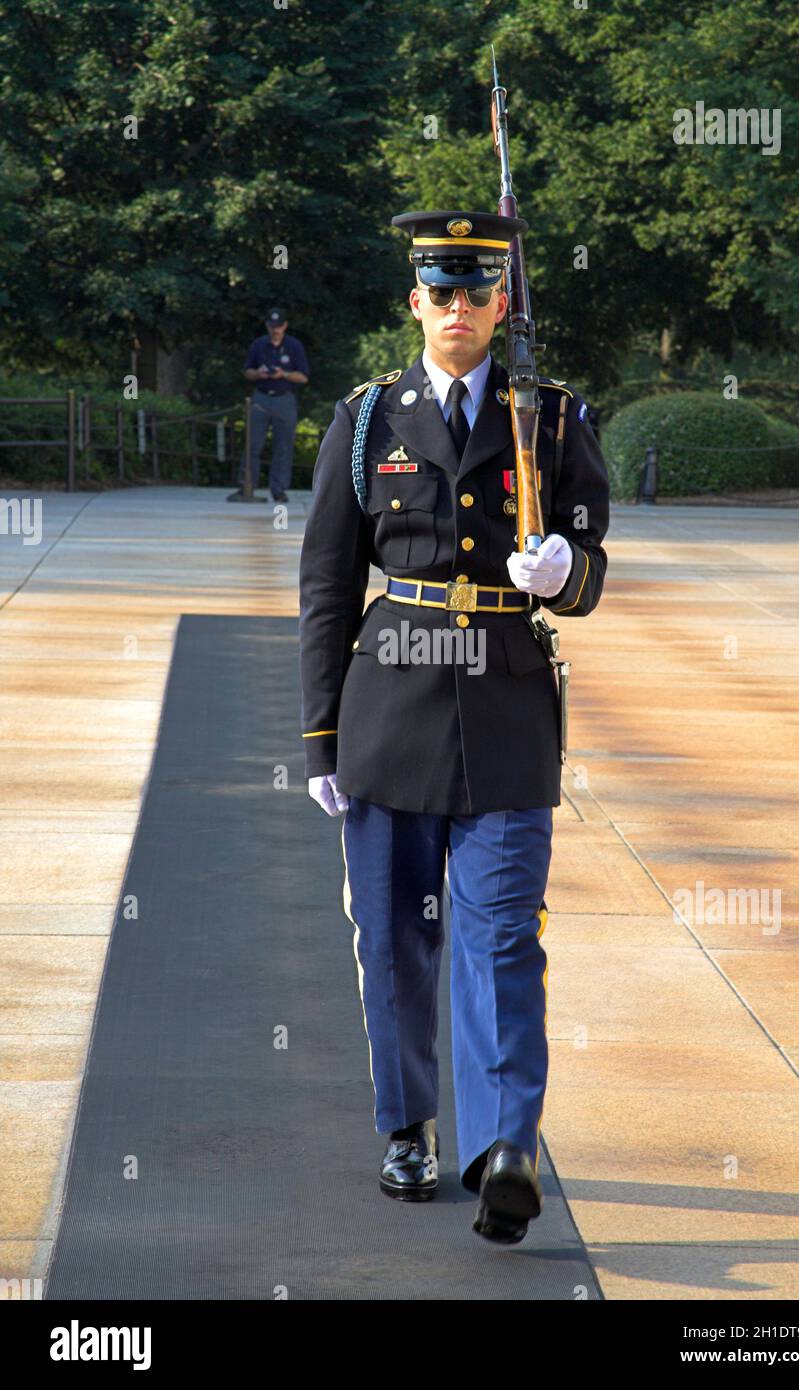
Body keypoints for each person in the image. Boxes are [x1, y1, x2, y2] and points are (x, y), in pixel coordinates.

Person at [298, 210, 610, 1245]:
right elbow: (327, 589)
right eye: (441, 290)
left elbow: (588, 557)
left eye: (478, 291)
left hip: (510, 705)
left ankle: (505, 1145)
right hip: (392, 704)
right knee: (394, 940)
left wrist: (562, 573)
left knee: (502, 935)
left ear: (502, 303)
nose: (459, 310)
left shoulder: (553, 421)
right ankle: (408, 1126)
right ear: (414, 302)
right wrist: (319, 738)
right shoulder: (367, 419)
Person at [227, 307, 309, 503]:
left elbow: (303, 376)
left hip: (284, 398)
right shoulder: (259, 345)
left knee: (283, 446)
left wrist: (284, 374)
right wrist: (258, 374)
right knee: (253, 444)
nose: (275, 330)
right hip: (261, 397)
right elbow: (247, 371)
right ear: (267, 326)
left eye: (279, 326)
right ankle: (246, 485)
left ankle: (279, 489)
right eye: (272, 326)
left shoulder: (294, 346)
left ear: (285, 326)